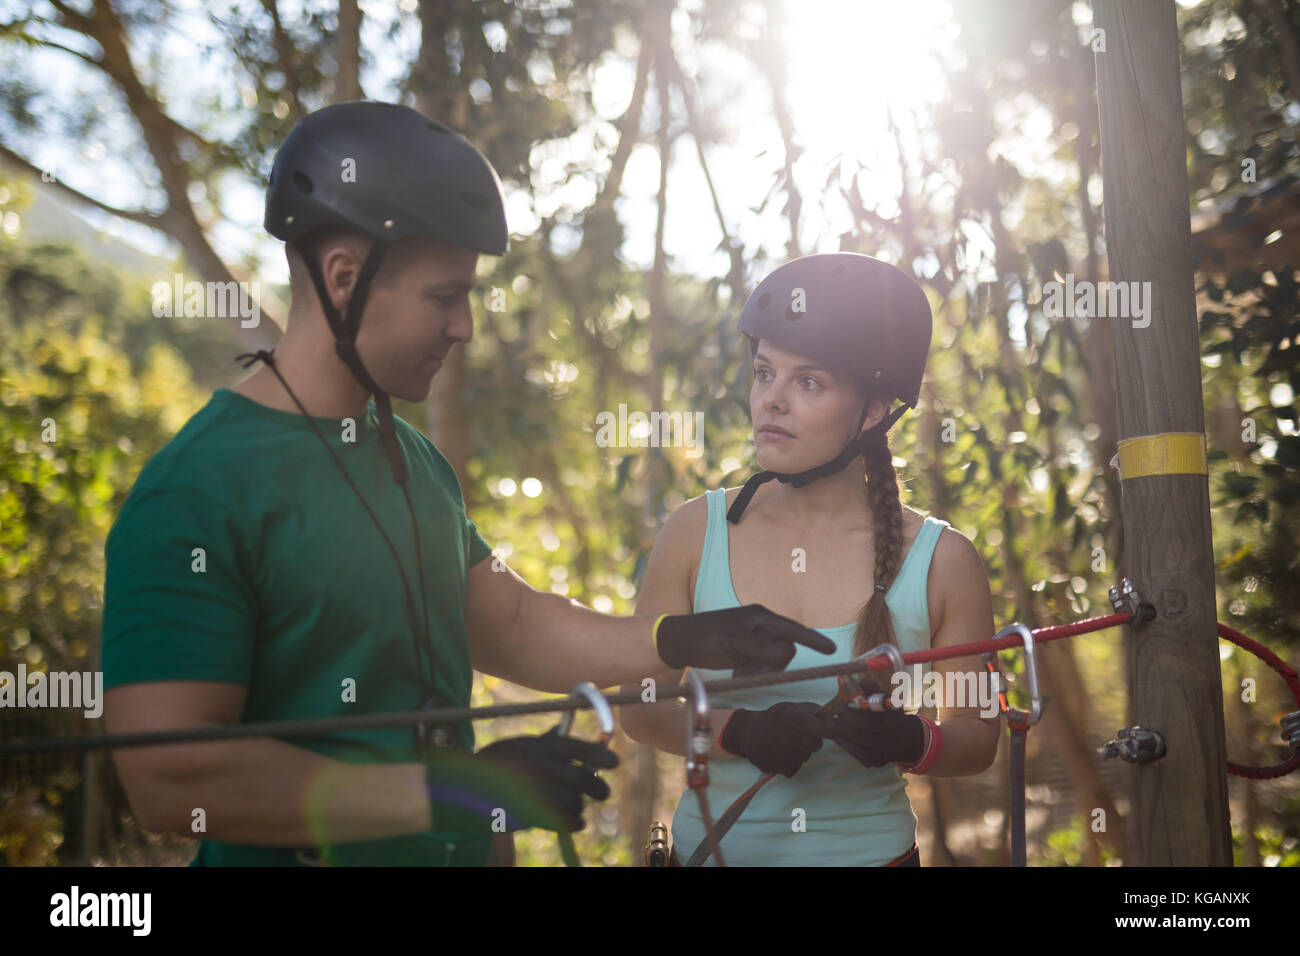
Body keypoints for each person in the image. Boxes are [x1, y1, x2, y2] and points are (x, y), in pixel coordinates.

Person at [100, 101, 835, 867]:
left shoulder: (411, 461)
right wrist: (449, 791)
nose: (466, 328)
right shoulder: (196, 491)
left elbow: (512, 624)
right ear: (345, 279)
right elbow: (168, 776)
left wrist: (679, 637)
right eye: (444, 297)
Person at [622, 253, 1001, 866]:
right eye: (764, 373)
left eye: (808, 382)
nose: (771, 400)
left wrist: (911, 738)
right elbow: (640, 703)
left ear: (874, 410)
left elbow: (978, 739)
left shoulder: (943, 561)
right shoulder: (696, 531)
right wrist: (736, 733)